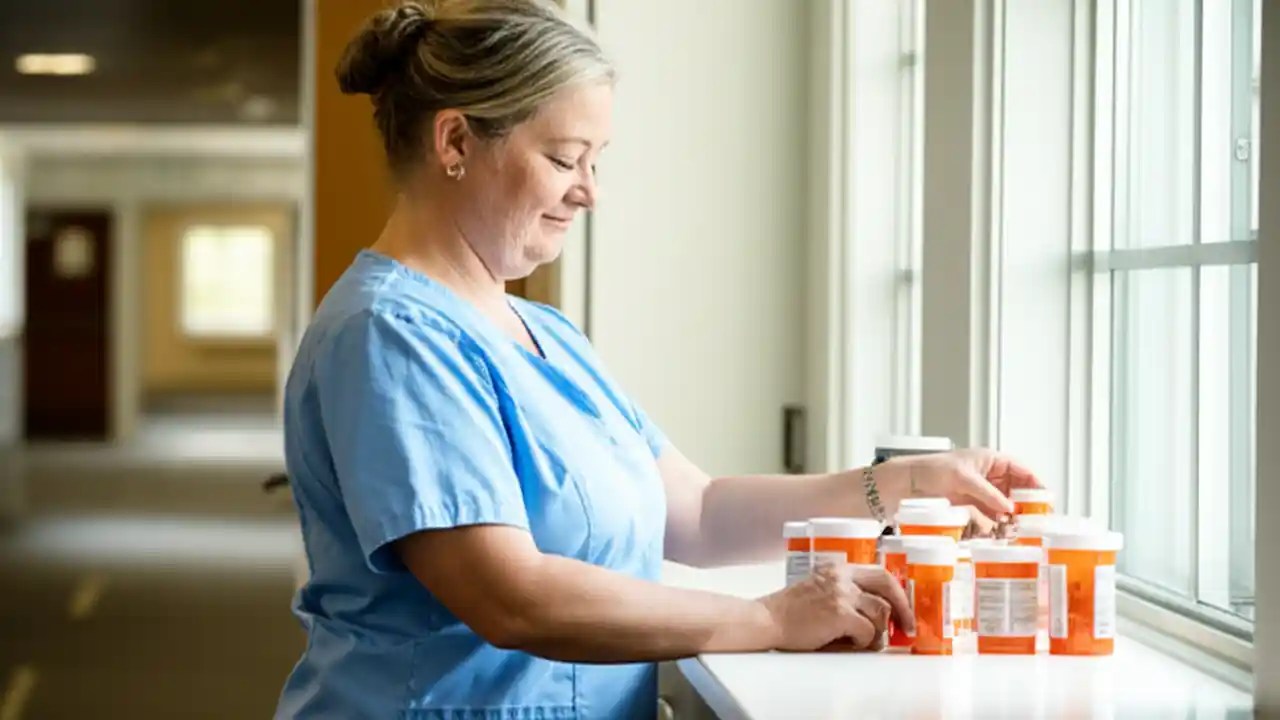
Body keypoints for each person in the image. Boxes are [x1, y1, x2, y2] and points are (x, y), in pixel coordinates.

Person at [274, 1, 1041, 718]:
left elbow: (699, 513)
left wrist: (904, 485)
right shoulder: (390, 336)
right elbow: (511, 597)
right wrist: (769, 618)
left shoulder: (544, 334)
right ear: (454, 142)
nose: (590, 193)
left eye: (596, 162)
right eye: (565, 159)